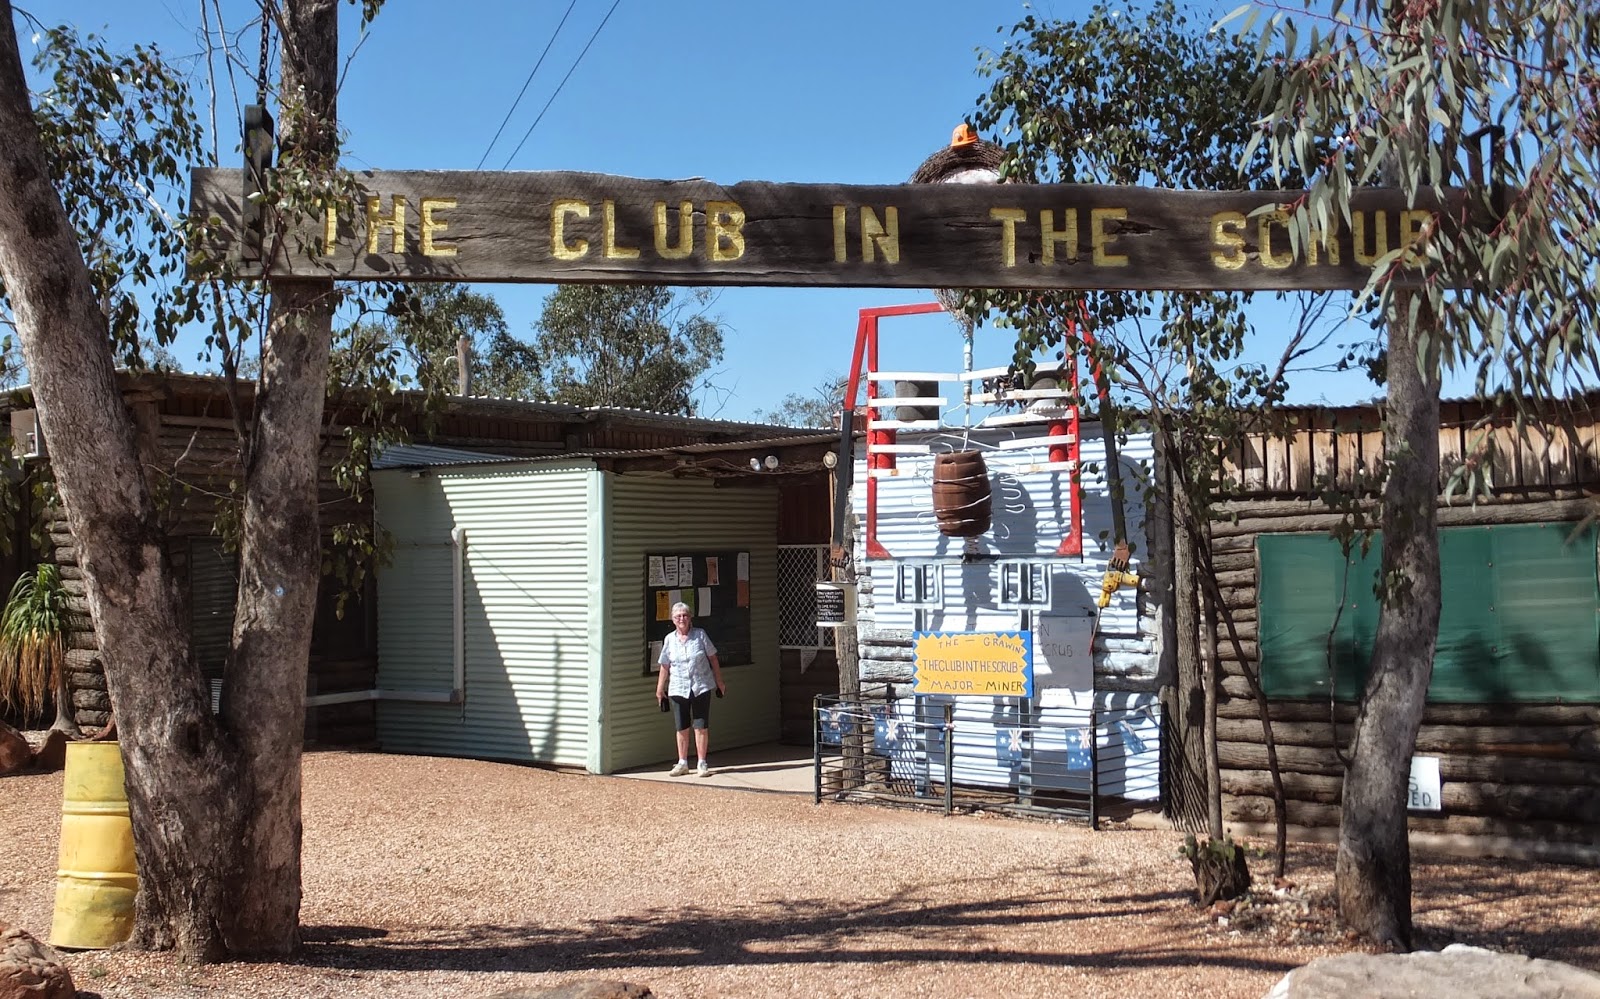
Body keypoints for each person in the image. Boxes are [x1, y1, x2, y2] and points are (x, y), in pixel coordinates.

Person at [655, 602, 725, 776]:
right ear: (673, 619)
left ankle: (702, 762)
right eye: (678, 616)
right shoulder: (669, 639)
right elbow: (665, 665)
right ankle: (683, 762)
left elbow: (713, 658)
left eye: (685, 615)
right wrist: (660, 688)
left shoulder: (700, 635)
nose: (682, 619)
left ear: (690, 618)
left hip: (700, 685)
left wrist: (719, 682)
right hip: (678, 687)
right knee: (682, 726)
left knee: (700, 725)